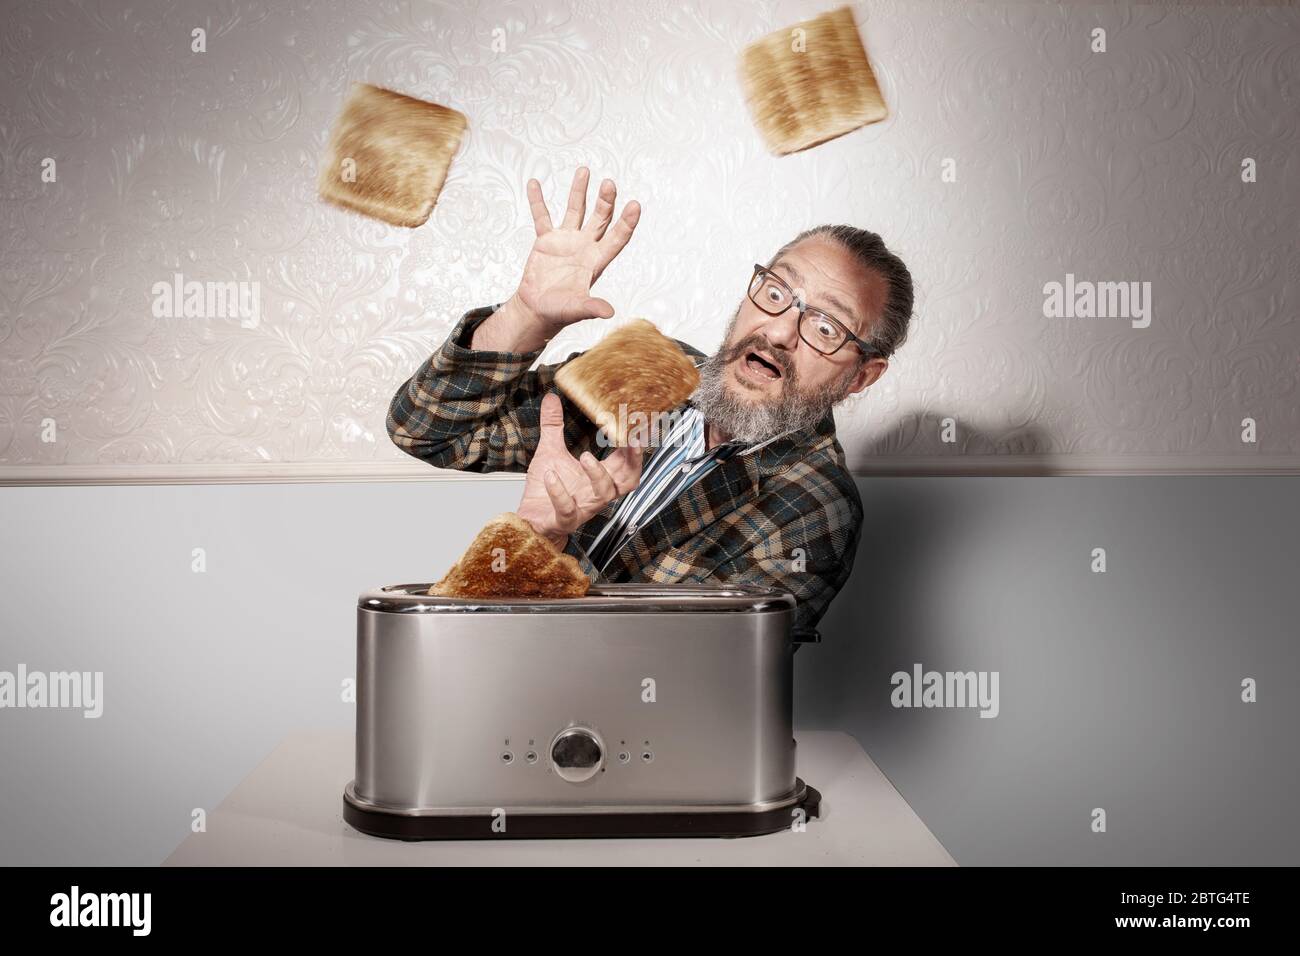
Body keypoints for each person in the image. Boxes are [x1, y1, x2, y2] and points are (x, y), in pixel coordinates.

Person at [387, 167, 914, 634]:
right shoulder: (650, 369)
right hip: (490, 691)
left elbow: (678, 680)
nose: (778, 333)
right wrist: (527, 314)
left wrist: (545, 546)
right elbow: (427, 430)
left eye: (825, 326)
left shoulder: (817, 505)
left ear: (861, 377)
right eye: (776, 293)